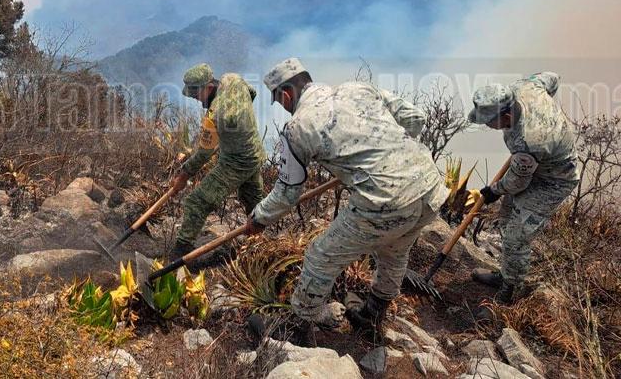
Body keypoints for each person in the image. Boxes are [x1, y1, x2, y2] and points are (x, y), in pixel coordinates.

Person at [245, 58, 448, 345]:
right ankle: (373, 314)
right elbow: (415, 118)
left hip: (385, 200)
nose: (282, 107)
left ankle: (298, 326)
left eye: (279, 101)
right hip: (429, 187)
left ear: (286, 94)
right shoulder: (359, 89)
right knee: (394, 252)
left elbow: (288, 193)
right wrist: (389, 156)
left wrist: (259, 218)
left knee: (319, 256)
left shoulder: (298, 127)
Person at [466, 72, 579, 303]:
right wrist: (546, 107)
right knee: (506, 219)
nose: (488, 126)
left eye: (489, 122)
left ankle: (510, 291)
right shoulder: (526, 85)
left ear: (505, 115)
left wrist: (493, 191)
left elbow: (517, 182)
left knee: (517, 236)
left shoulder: (528, 140)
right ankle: (507, 272)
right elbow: (553, 78)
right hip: (533, 166)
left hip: (554, 180)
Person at [167, 63, 266, 259]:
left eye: (196, 95)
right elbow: (251, 93)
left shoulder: (215, 114)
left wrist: (183, 175)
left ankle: (180, 253)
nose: (196, 100)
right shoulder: (233, 79)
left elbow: (204, 153)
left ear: (209, 88)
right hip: (255, 152)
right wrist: (237, 126)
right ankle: (261, 246)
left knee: (196, 201)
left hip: (237, 161)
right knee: (253, 202)